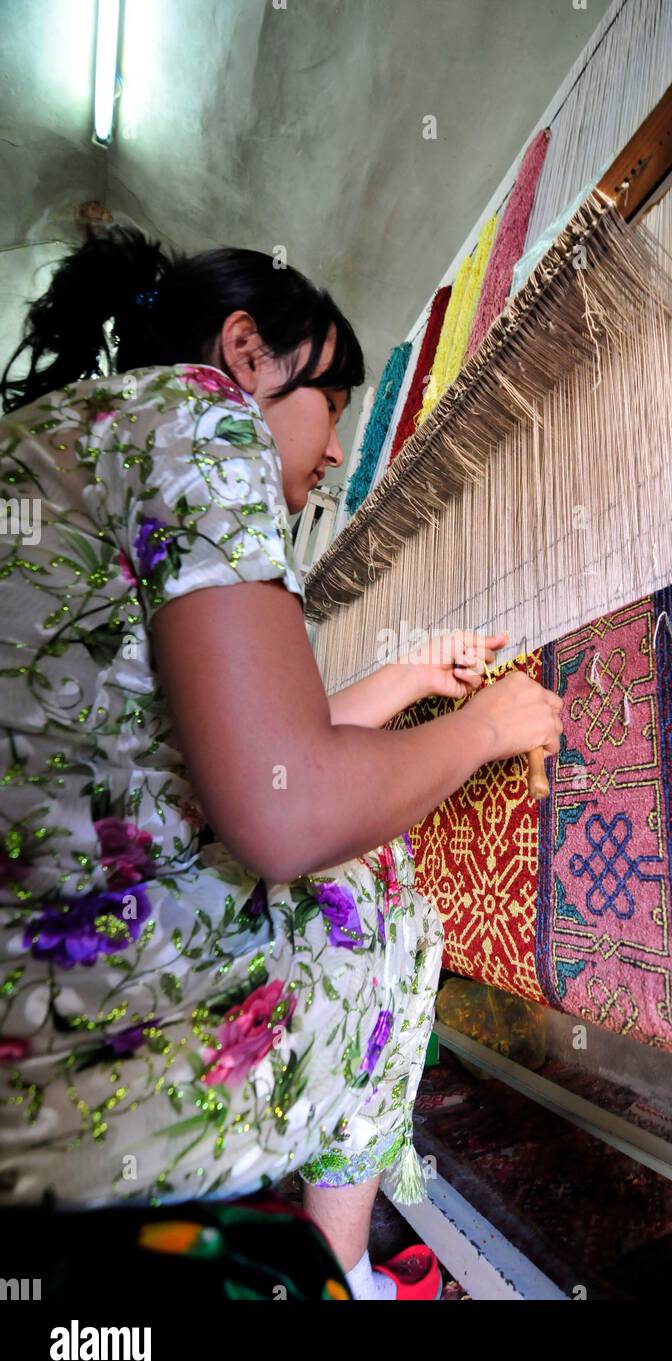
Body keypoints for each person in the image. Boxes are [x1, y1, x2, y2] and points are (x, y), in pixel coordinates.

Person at [0, 223, 564, 1300]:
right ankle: (337, 1269)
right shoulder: (198, 414)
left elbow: (225, 758)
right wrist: (486, 730)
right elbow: (285, 806)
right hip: (59, 1063)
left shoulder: (80, 439)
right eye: (336, 404)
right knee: (380, 900)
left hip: (30, 990)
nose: (342, 452)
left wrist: (407, 679)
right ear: (248, 350)